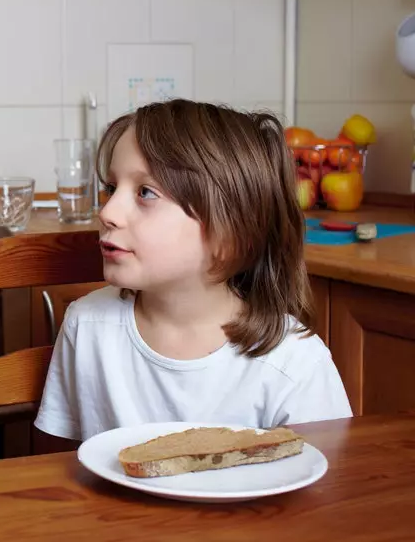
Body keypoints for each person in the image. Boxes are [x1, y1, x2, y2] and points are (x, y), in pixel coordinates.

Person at [34, 100, 352, 446]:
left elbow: (327, 486)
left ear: (230, 235)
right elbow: (60, 464)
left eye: (145, 192)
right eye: (112, 188)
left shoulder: (295, 362)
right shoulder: (87, 325)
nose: (107, 211)